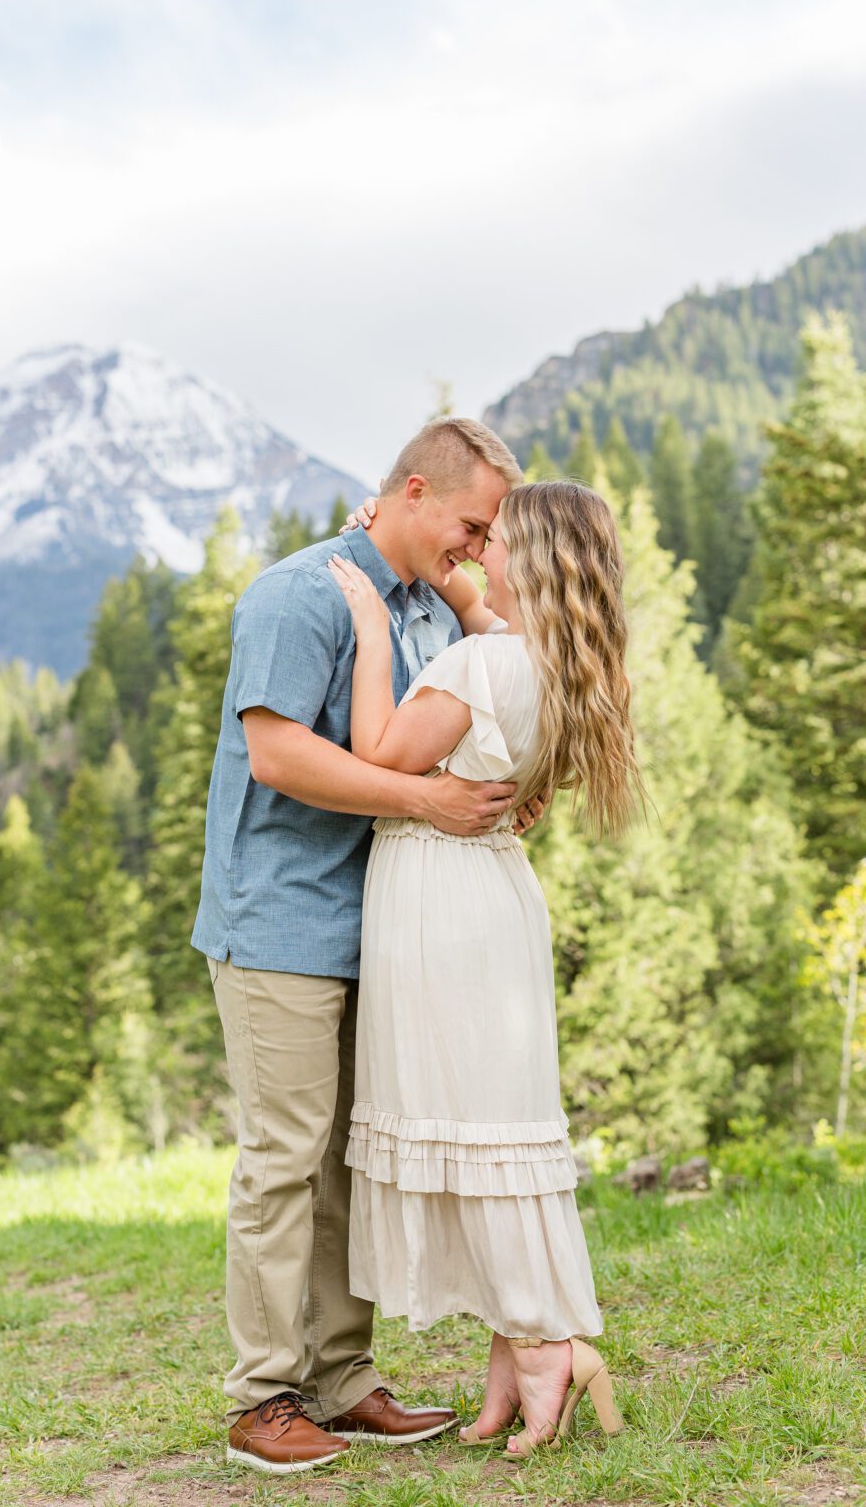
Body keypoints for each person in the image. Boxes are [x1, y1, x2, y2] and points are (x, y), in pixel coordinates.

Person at [191, 417, 546, 1475]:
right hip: (282, 920)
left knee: (347, 1161)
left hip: (381, 925)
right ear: (413, 491)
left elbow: (449, 721)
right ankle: (263, 1398)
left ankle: (341, 1382)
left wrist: (500, 787)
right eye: (471, 525)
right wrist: (427, 802)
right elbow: (278, 754)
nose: (477, 548)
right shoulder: (298, 595)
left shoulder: (429, 605)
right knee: (284, 1160)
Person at [327, 478, 638, 1462]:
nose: (476, 554)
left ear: (529, 558)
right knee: (495, 1128)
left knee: (460, 1120)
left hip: (437, 897)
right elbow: (485, 611)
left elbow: (379, 752)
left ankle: (546, 1346)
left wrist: (372, 631)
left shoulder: (478, 664)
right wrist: (435, 566)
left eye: (491, 541)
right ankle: (523, 1345)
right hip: (497, 894)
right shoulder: (568, 666)